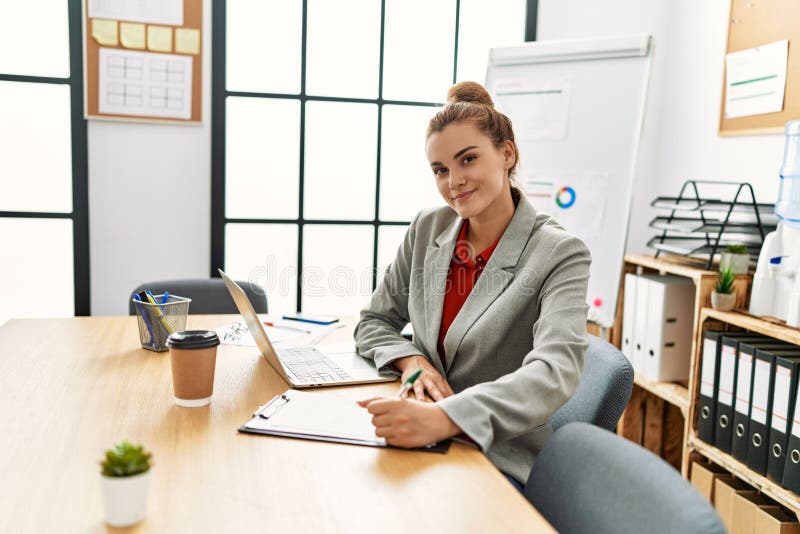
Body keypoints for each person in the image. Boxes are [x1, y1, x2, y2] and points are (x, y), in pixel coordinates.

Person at [355, 81, 591, 488]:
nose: (454, 181)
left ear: (506, 153)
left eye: (468, 160)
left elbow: (555, 371)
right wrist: (413, 362)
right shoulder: (428, 227)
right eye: (440, 170)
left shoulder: (560, 253)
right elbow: (374, 321)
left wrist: (445, 418)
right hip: (419, 433)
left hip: (495, 457)